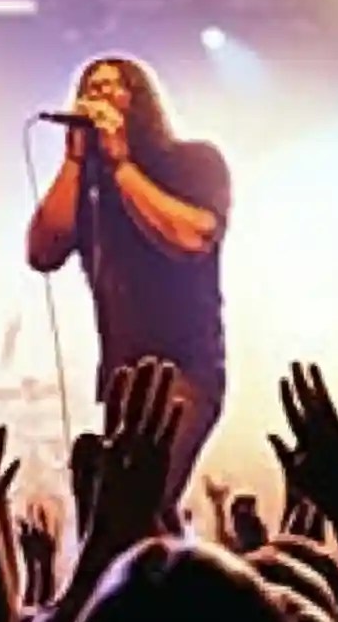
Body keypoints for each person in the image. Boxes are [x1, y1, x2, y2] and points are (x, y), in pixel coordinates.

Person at [27, 55, 232, 507]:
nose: (96, 96)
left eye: (110, 87)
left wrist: (122, 164)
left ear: (139, 100)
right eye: (89, 88)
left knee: (143, 507)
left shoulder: (192, 162)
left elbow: (191, 238)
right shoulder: (89, 187)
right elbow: (43, 251)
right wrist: (75, 161)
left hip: (186, 371)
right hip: (121, 375)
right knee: (127, 515)